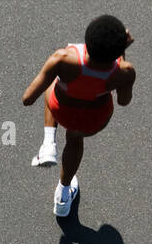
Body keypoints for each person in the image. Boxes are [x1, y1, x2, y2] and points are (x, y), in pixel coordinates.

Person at [22, 14, 135, 216]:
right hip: (93, 119)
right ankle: (63, 197)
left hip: (62, 110)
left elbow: (28, 98)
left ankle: (48, 144)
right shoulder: (125, 72)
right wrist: (122, 55)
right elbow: (123, 101)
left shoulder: (63, 59)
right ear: (119, 49)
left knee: (54, 84)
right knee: (74, 140)